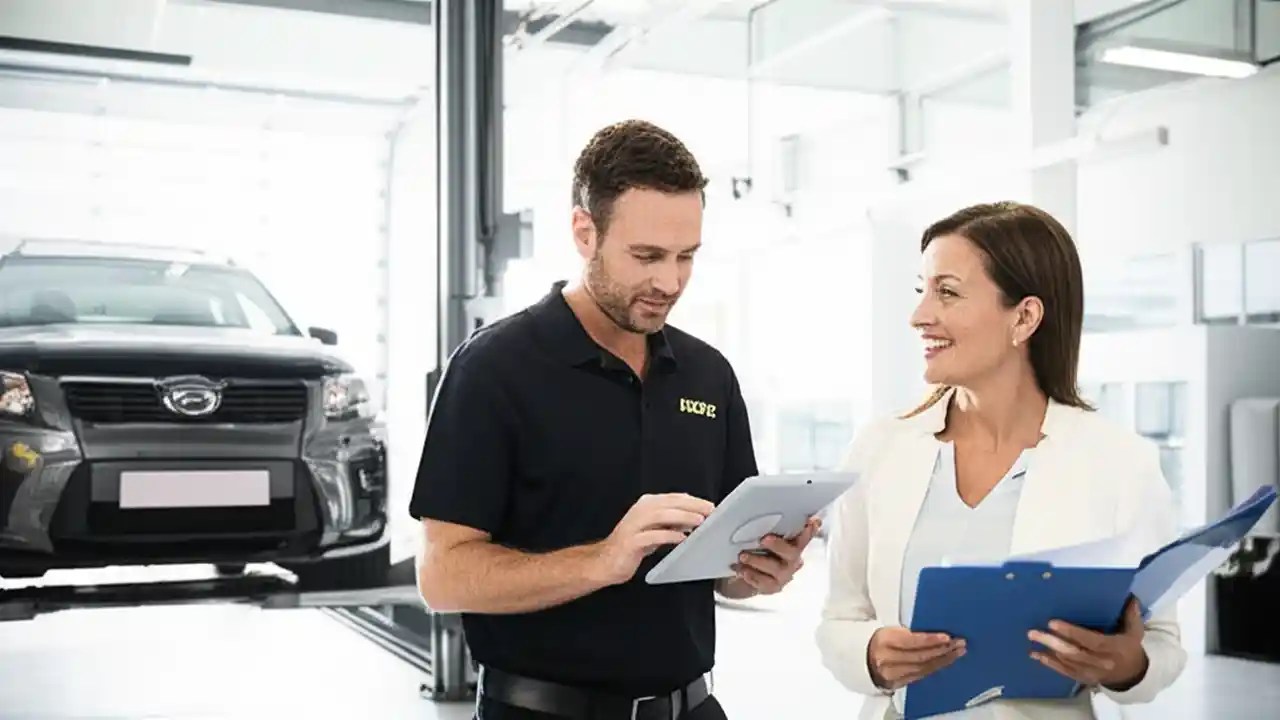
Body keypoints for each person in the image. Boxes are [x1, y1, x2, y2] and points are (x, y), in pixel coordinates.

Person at [410, 119, 818, 720]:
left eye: (686, 256)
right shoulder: (494, 369)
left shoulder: (709, 374)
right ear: (584, 231)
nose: (669, 281)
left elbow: (720, 570)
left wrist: (757, 571)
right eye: (646, 256)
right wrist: (604, 559)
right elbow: (441, 575)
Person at [816, 202, 1187, 719]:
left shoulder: (1119, 463)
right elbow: (840, 619)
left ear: (1025, 316)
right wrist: (871, 654)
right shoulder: (880, 450)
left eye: (946, 292)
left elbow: (1163, 643)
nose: (920, 314)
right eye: (921, 290)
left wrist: (1125, 666)